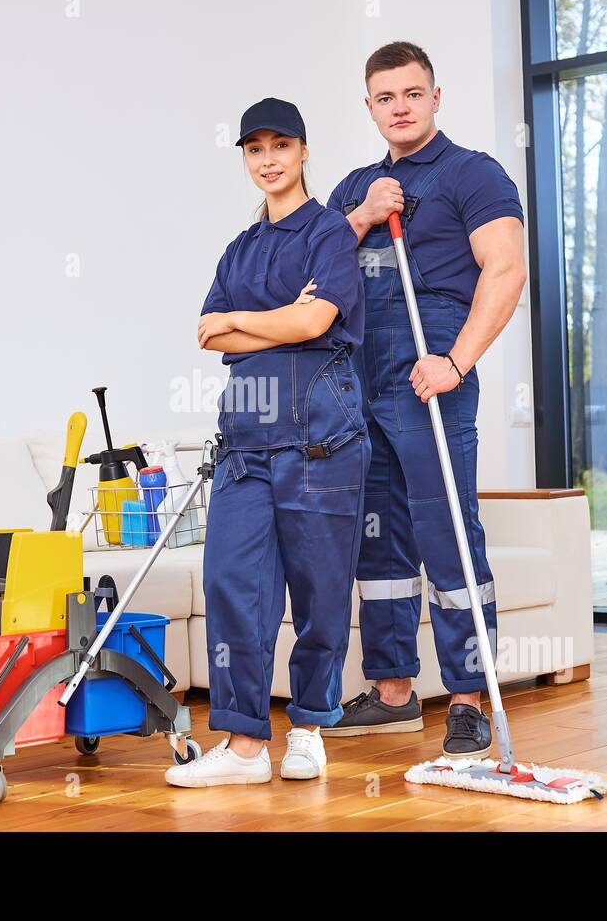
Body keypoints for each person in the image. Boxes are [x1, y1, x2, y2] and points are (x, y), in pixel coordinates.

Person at [321, 42, 527, 758]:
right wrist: (361, 217)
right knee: (375, 533)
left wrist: (456, 362)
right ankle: (391, 693)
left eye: (413, 93)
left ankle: (467, 699)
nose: (400, 107)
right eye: (386, 97)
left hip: (427, 357)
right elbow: (306, 272)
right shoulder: (354, 185)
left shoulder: (474, 174)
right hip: (356, 369)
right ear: (369, 106)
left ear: (436, 96)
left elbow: (504, 270)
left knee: (444, 526)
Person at [166, 97, 368, 788]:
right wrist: (283, 318)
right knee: (231, 585)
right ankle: (245, 746)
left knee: (319, 593)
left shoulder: (330, 232)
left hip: (323, 441)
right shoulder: (240, 249)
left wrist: (247, 322)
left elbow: (317, 323)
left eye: (281, 145)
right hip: (246, 445)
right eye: (255, 149)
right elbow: (205, 332)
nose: (269, 159)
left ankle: (308, 727)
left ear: (305, 151)